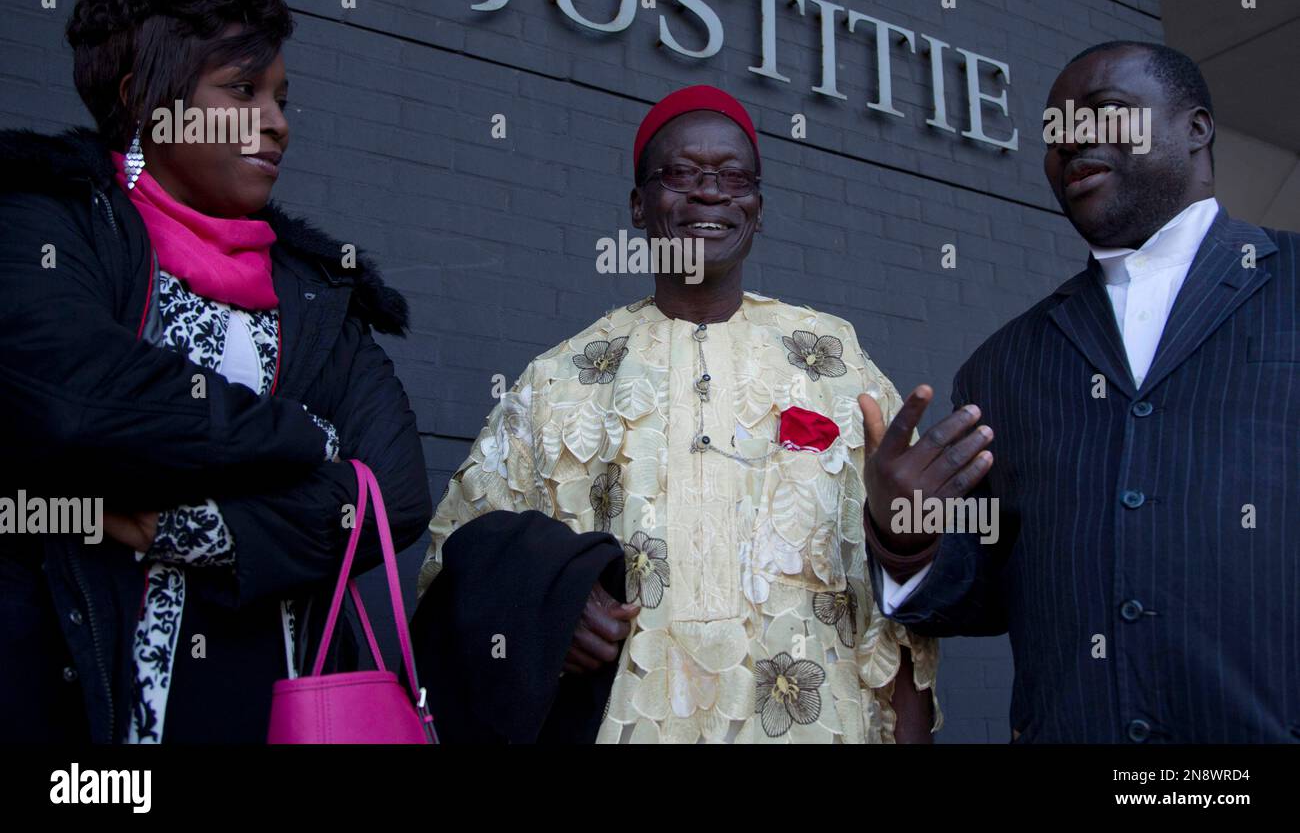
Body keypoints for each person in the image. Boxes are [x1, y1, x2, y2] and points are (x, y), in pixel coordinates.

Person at [414, 85, 993, 743]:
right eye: (682, 174)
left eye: (733, 176)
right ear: (639, 204)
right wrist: (547, 608)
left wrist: (906, 533)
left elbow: (901, 634)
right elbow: (454, 567)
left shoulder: (838, 364)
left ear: (758, 206)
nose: (711, 192)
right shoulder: (558, 381)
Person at [0, 0, 431, 743]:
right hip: (79, 694)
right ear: (144, 102)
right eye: (243, 92)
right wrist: (310, 437)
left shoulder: (317, 291)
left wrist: (180, 524)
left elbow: (394, 496)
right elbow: (77, 405)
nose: (277, 123)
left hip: (275, 703)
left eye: (281, 98)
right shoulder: (50, 221)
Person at [867, 41, 1299, 743]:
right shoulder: (1001, 366)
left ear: (1196, 128)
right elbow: (985, 587)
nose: (1071, 141)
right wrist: (908, 540)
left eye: (1104, 113)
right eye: (1054, 132)